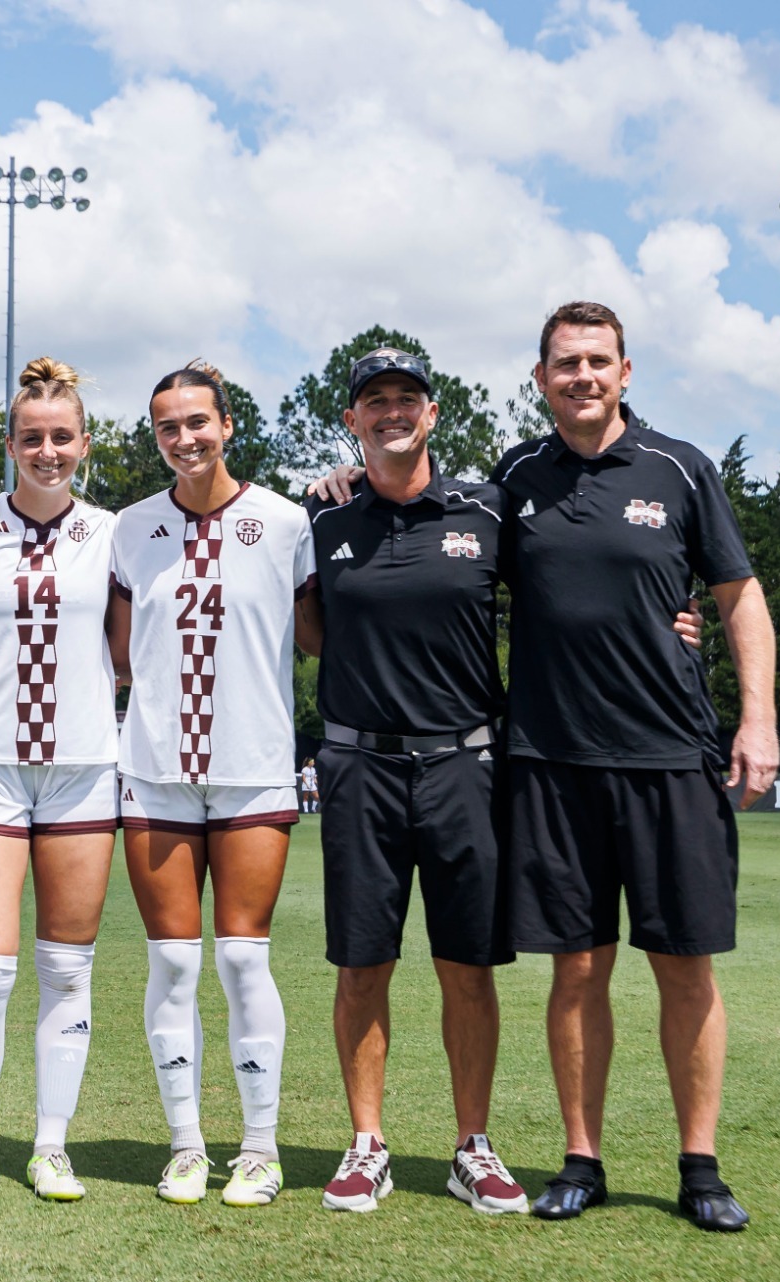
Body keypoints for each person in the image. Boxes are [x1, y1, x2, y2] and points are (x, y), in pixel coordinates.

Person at [492, 302, 776, 1231]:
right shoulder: (515, 478)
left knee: (685, 966)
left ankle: (700, 1167)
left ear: (626, 371)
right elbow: (434, 537)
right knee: (576, 969)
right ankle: (583, 1159)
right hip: (552, 762)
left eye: (597, 361)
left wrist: (759, 718)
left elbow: (737, 595)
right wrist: (346, 481)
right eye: (564, 363)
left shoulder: (680, 468)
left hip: (670, 755)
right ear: (539, 379)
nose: (581, 376)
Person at [298, 349, 528, 1215]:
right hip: (359, 764)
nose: (391, 411)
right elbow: (307, 631)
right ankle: (368, 1145)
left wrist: (673, 622)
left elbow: (569, 590)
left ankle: (473, 1144)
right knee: (364, 963)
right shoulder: (320, 519)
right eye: (373, 401)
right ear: (354, 422)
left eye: (406, 398)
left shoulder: (487, 510)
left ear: (432, 413)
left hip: (466, 764)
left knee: (467, 964)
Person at [109, 360, 313, 1208]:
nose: (185, 437)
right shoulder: (129, 528)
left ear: (228, 424)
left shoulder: (288, 521)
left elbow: (325, 637)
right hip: (154, 773)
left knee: (239, 955)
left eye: (198, 421)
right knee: (171, 963)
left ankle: (259, 1147)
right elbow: (116, 656)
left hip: (253, 769)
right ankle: (188, 1143)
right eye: (168, 426)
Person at [0, 356, 118, 1203]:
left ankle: (50, 1145)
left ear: (84, 442)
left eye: (61, 438)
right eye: (31, 438)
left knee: (67, 969)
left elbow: (123, 650)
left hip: (83, 769)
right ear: (8, 443)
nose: (47, 452)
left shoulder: (116, 529)